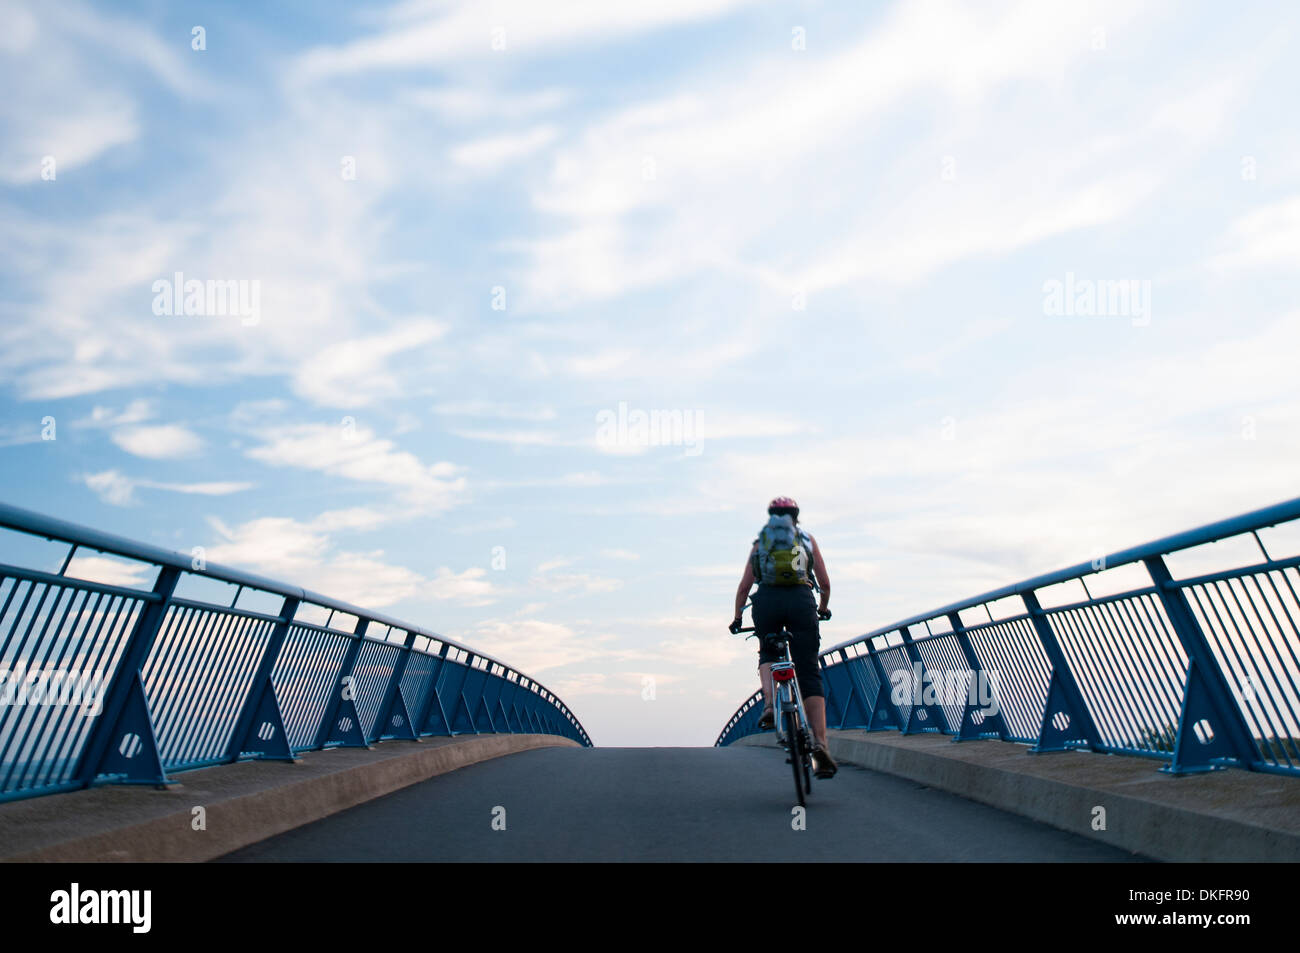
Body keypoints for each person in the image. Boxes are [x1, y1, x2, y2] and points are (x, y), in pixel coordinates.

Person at [729, 496, 837, 779]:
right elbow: (824, 583)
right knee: (809, 671)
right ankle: (821, 745)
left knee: (768, 651)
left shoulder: (760, 543)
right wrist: (823, 607)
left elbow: (744, 587)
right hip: (802, 602)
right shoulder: (807, 539)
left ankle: (768, 705)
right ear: (796, 516)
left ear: (770, 517)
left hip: (767, 602)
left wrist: (738, 617)